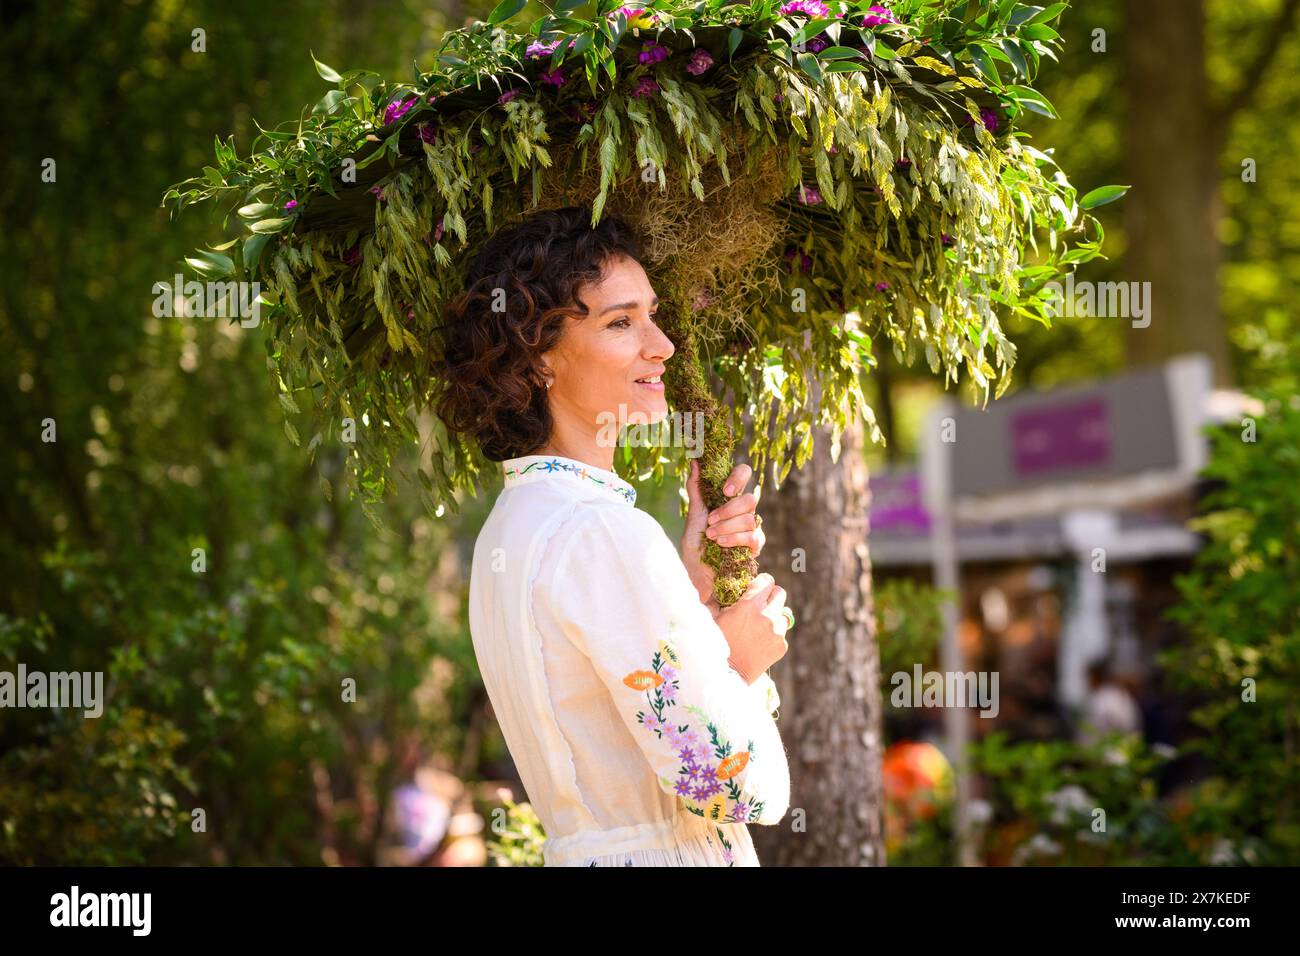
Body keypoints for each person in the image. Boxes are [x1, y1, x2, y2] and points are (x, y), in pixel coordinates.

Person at [436, 206, 792, 866]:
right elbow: (725, 787)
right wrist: (740, 658)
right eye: (621, 322)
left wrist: (693, 600)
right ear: (538, 357)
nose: (662, 345)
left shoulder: (510, 530)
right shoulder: (601, 531)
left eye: (652, 315)